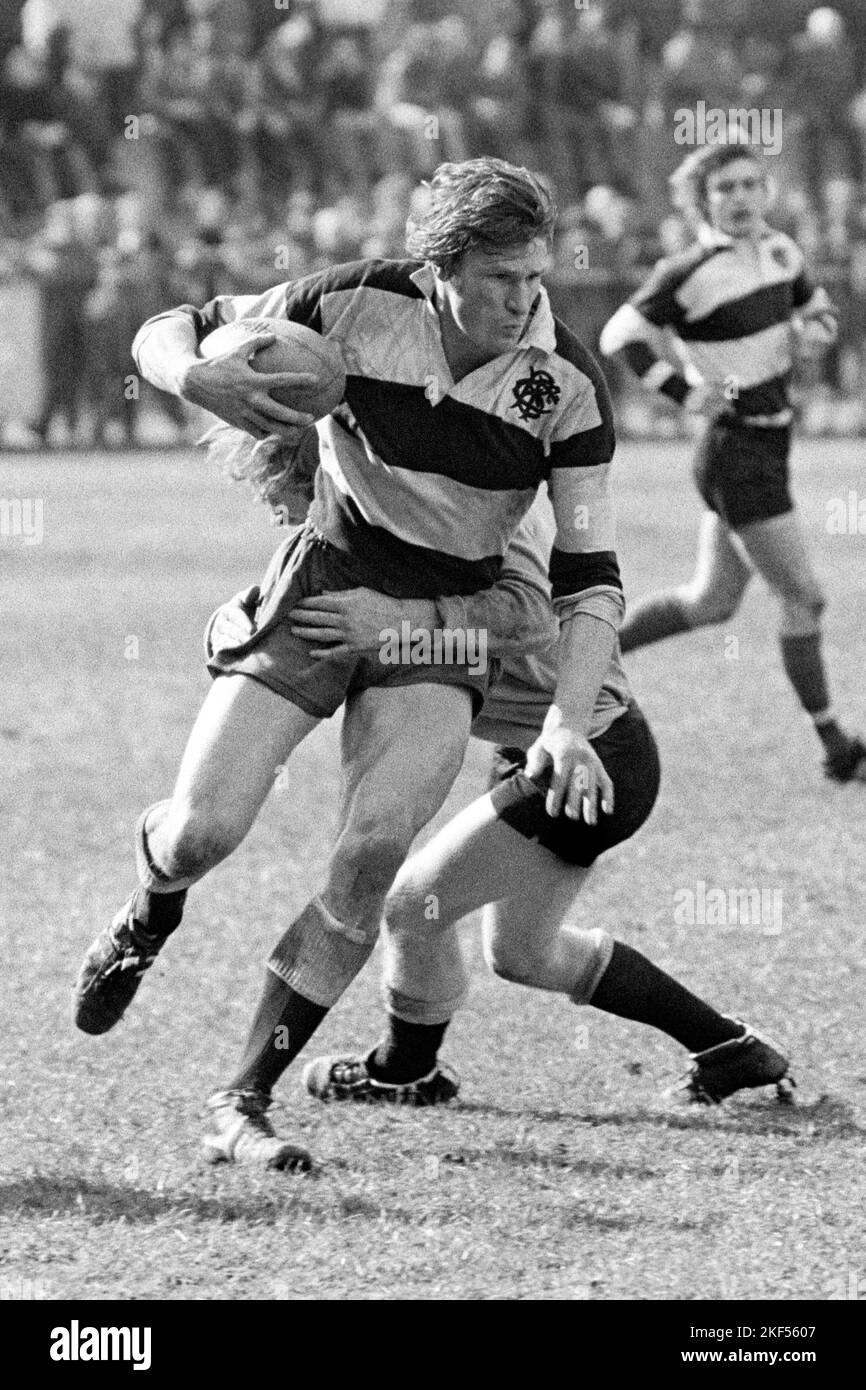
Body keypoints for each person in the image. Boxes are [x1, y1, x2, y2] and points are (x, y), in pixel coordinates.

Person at [72, 158, 624, 1167]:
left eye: (536, 276)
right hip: (323, 588)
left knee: (371, 858)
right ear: (440, 269)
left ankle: (240, 1099)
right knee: (200, 833)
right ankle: (150, 910)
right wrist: (190, 374)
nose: (524, 300)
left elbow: (589, 582)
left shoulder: (567, 387)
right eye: (500, 278)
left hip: (434, 631)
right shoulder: (355, 299)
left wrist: (565, 722)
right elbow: (174, 324)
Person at [205, 494, 792, 1160]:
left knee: (412, 905)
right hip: (557, 748)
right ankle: (730, 1049)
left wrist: (386, 632)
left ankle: (404, 1070)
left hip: (589, 756)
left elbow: (525, 627)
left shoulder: (477, 512)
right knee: (522, 954)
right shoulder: (446, 498)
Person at [598, 139, 866, 784]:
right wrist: (684, 391)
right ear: (702, 201)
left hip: (769, 444)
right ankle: (837, 748)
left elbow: (816, 310)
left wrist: (816, 331)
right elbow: (619, 335)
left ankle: (573, 662)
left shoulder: (781, 250)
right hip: (735, 452)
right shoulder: (688, 270)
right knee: (804, 598)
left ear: (766, 192)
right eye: (725, 188)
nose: (740, 197)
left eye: (750, 184)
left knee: (711, 602)